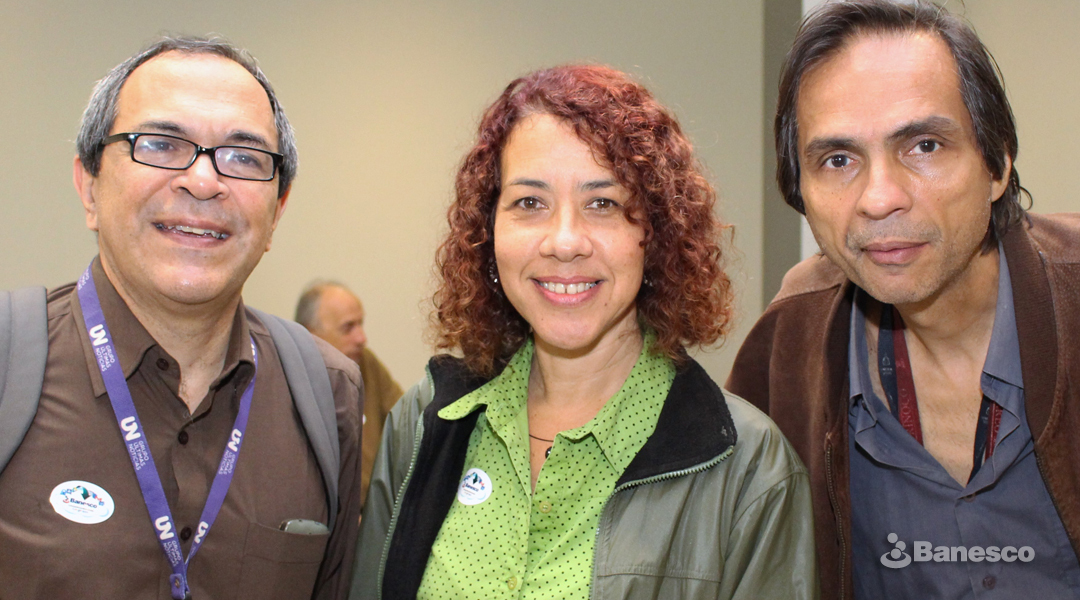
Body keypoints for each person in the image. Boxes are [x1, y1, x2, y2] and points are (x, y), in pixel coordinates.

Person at [351, 64, 818, 600]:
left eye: (603, 204)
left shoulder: (751, 471)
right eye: (530, 203)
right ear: (489, 233)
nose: (565, 241)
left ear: (656, 233)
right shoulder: (424, 426)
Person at [726, 1, 1080, 598]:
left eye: (924, 146)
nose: (879, 197)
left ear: (996, 164)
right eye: (838, 160)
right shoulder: (789, 345)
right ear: (801, 190)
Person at [0, 37, 363, 599]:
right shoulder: (9, 368)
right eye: (162, 144)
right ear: (88, 185)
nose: (202, 180)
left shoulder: (326, 395)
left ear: (276, 212)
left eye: (244, 157)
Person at [296, 280, 404, 507]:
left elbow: (407, 424)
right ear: (310, 335)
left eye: (360, 324)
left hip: (372, 513)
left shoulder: (365, 363)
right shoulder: (289, 377)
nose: (361, 338)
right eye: (348, 327)